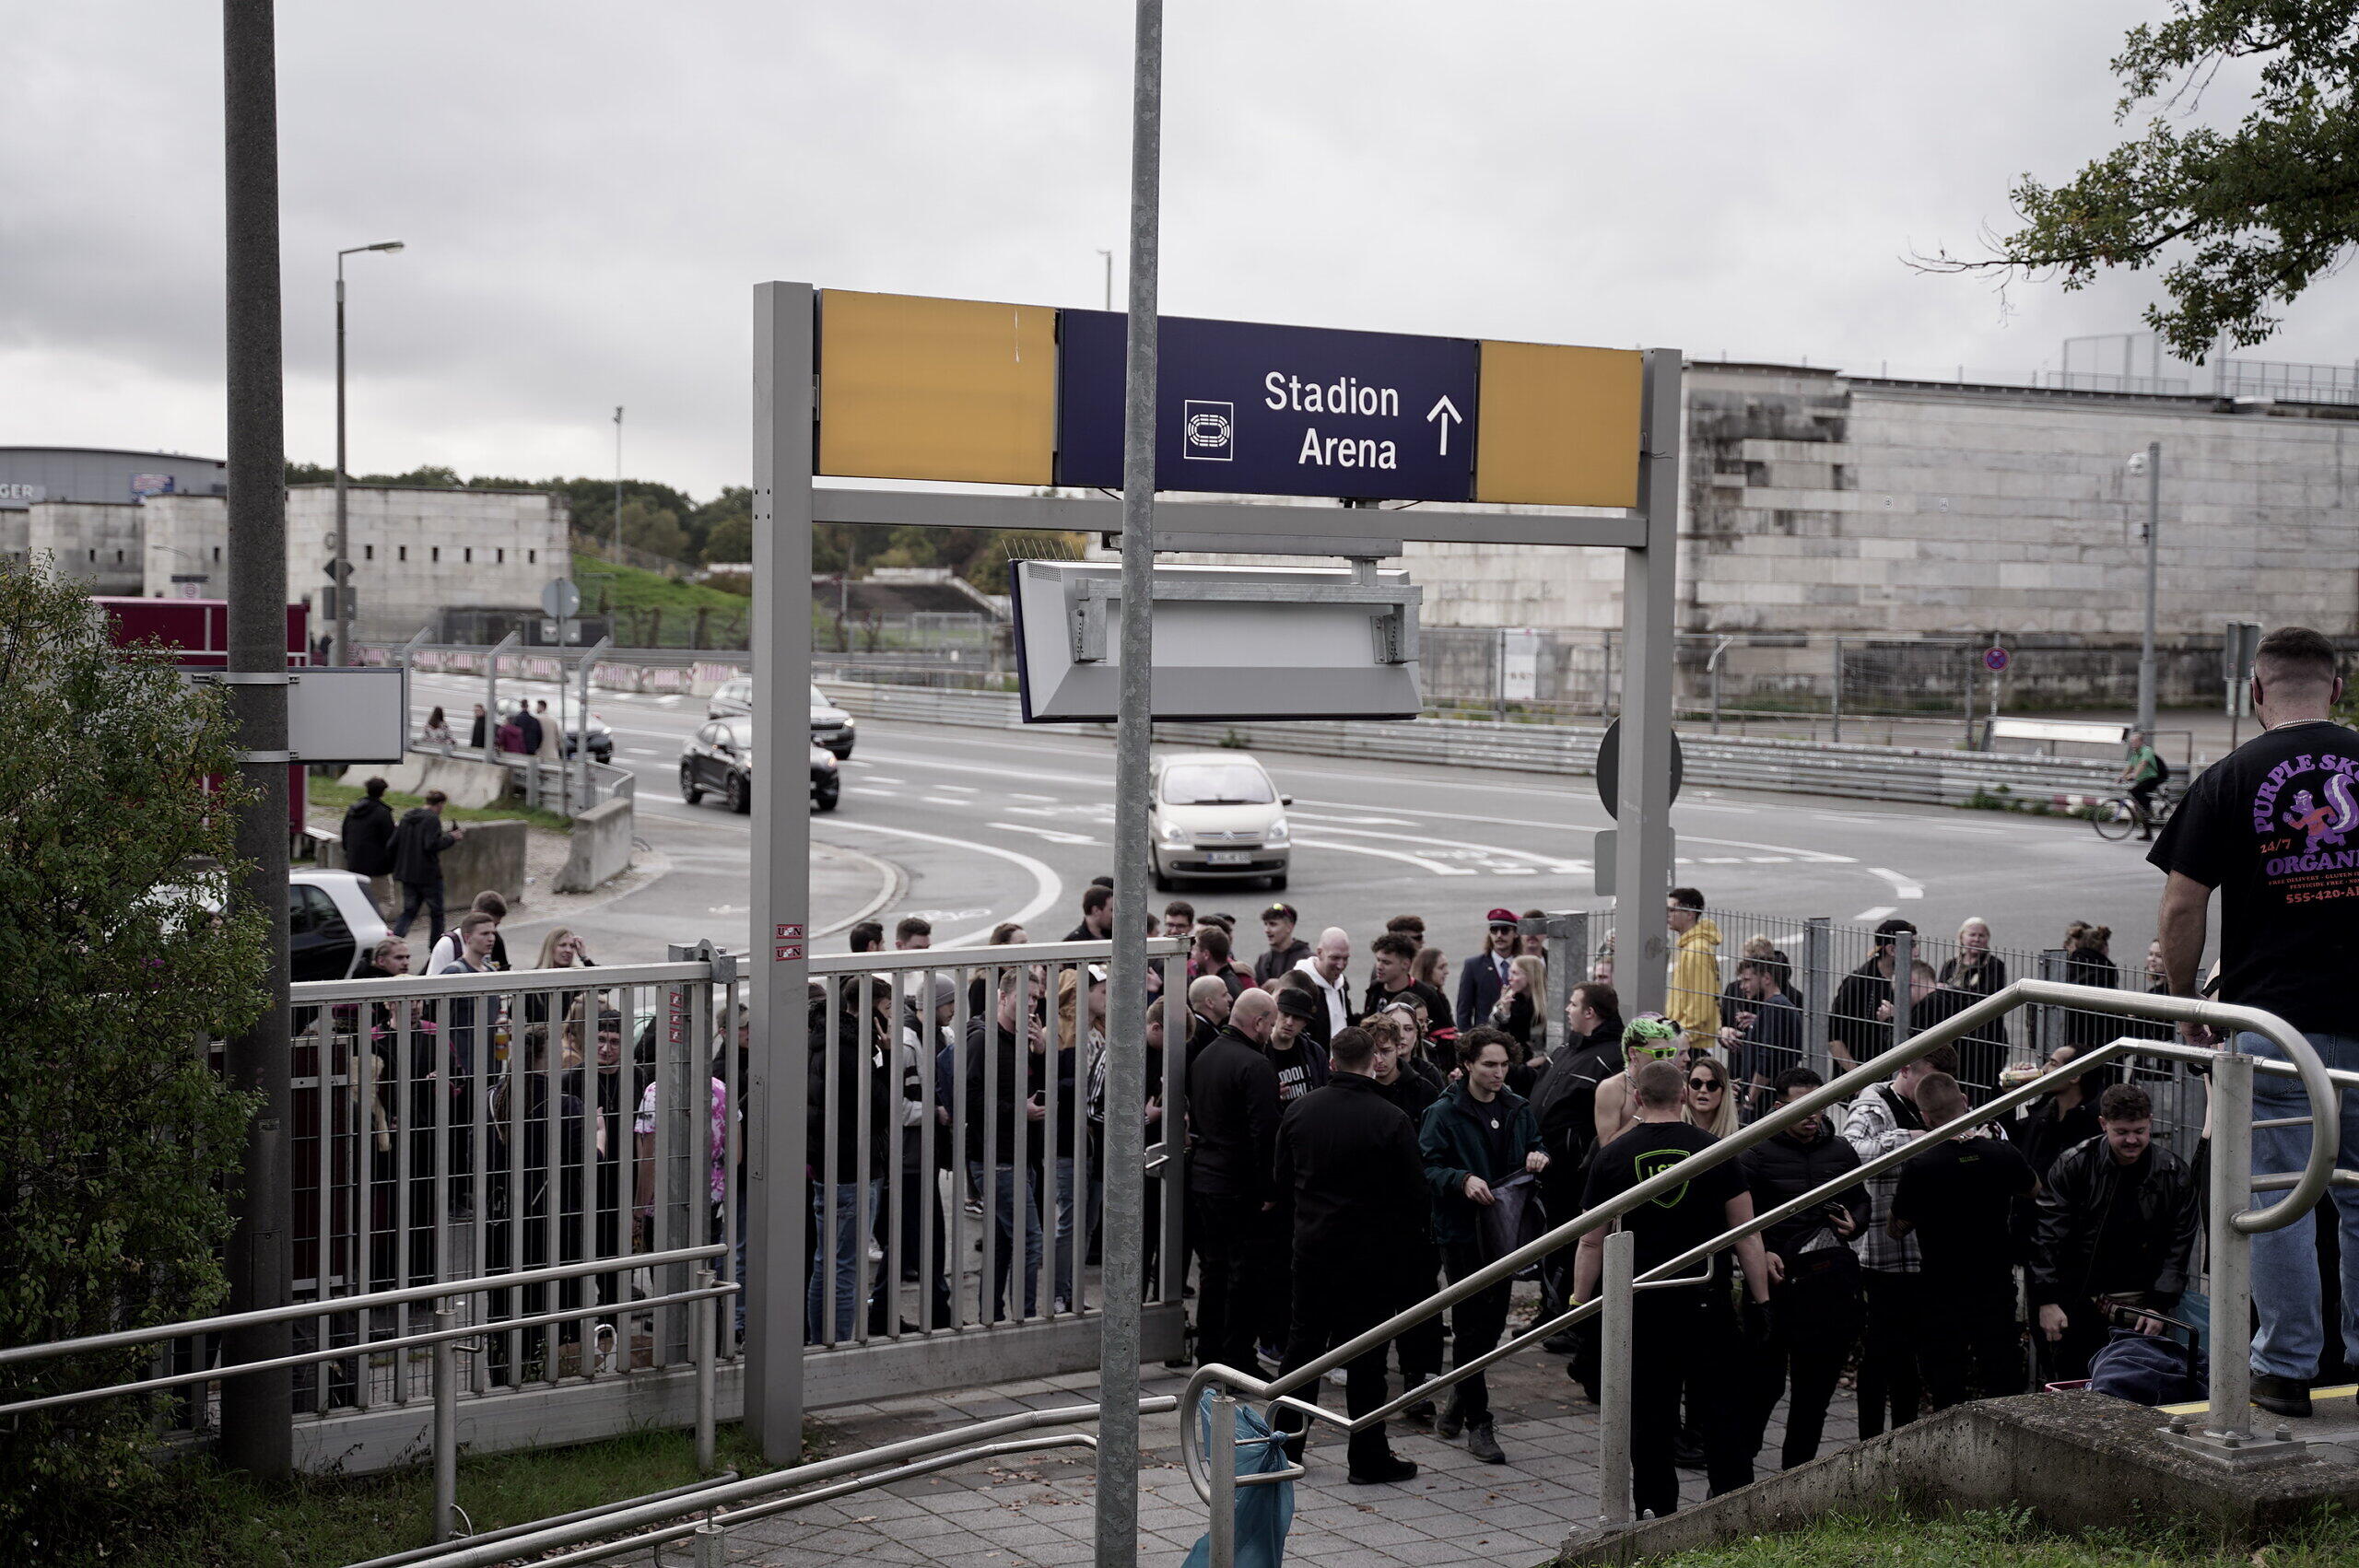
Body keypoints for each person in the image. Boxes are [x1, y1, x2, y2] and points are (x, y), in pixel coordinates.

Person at [2154, 629, 2359, 1418]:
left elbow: (2181, 903)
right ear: (2336, 689)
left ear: (2256, 692)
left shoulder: (2230, 776)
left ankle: (2283, 1369)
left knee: (2276, 1198)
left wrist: (2186, 1003)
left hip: (2275, 1028)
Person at [1577, 1059, 1773, 1517]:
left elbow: (1591, 1239)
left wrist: (1579, 1304)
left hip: (1641, 1305)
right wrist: (1762, 1303)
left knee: (1650, 1414)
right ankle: (1732, 1503)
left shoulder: (1612, 1156)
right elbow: (1747, 1232)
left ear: (1638, 1099)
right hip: (1706, 1301)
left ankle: (1654, 1510)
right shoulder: (1715, 1150)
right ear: (1684, 1095)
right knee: (1722, 1407)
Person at [1270, 1024, 1426, 1485]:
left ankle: (1284, 1446)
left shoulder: (1299, 1112)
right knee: (1367, 1357)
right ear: (1374, 1062)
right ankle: (1367, 1455)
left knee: (1303, 1348)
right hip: (1370, 1256)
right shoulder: (1391, 1117)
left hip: (1314, 1247)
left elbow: (1282, 1182)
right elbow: (1415, 1195)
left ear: (1332, 1062)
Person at [1418, 1027, 1546, 1465]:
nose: (1497, 1073)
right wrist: (1461, 1179)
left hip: (1505, 1229)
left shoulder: (1516, 1107)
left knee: (1491, 1328)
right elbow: (1428, 1167)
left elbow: (1535, 1144)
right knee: (1472, 1325)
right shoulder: (1444, 1112)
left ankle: (1459, 1399)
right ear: (1468, 1064)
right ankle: (1480, 1421)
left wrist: (1537, 1156)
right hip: (1461, 1233)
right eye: (1488, 1064)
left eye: (1503, 1065)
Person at [2028, 1082, 2201, 1384]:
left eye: (2140, 1130)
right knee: (2074, 1384)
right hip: (2080, 1296)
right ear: (2103, 1125)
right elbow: (2047, 1237)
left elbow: (2179, 1247)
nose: (2132, 1140)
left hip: (2143, 1300)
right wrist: (2047, 1300)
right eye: (2122, 1132)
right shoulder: (2075, 1164)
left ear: (2151, 1122)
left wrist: (2159, 1306)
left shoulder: (2173, 1173)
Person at [1739, 1067, 1866, 1471]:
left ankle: (1797, 1476)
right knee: (1761, 1387)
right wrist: (1764, 1252)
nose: (1813, 1115)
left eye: (1818, 1105)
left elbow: (1859, 1198)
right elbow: (1739, 1219)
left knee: (1814, 1393)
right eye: (1802, 1106)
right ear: (1778, 1107)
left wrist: (1855, 1221)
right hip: (1773, 1286)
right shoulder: (1754, 1152)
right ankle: (1736, 1471)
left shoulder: (1841, 1150)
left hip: (1825, 1284)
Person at [1890, 1071, 2036, 1409]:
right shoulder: (2001, 1153)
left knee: (1945, 1381)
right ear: (1966, 1103)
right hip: (1994, 1282)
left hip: (1941, 1287)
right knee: (2002, 1374)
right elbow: (2034, 1189)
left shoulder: (1921, 1166)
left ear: (1925, 1117)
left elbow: (1896, 1228)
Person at [1840, 1042, 1960, 1439]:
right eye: (1927, 1080)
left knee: (1912, 1353)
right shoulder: (1872, 1104)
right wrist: (1906, 1140)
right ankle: (1869, 1441)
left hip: (1926, 1253)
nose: (1932, 1090)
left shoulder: (1937, 1098)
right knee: (1881, 1352)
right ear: (1905, 1069)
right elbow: (1851, 1153)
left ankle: (1905, 1437)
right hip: (1884, 1255)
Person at [1185, 989, 1283, 1373]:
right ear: (1257, 1022)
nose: (1271, 1032)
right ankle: (1238, 1357)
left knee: (1214, 1270)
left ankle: (1208, 1353)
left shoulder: (1206, 1056)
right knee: (1244, 1274)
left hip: (1207, 1179)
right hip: (1239, 1186)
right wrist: (1270, 1189)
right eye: (1270, 1025)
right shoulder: (1255, 1065)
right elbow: (1265, 1134)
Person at [1361, 1011, 1448, 1421]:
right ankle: (1371, 1379)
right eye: (1374, 1053)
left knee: (1419, 1302)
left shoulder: (1424, 1091)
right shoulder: (1358, 1090)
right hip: (1369, 1215)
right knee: (1373, 1304)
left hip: (1414, 1214)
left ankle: (1419, 1381)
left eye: (1387, 1051)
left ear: (1401, 1049)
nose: (1380, 1060)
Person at [964, 969, 1049, 1323]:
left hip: (1021, 1155)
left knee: (1001, 1244)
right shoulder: (984, 1041)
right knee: (1030, 1242)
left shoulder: (1022, 1039)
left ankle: (992, 1316)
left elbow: (1033, 1089)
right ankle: (1024, 1320)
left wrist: (1041, 1052)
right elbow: (971, 1101)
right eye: (1024, 997)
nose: (1030, 1004)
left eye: (1035, 998)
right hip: (997, 1158)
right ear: (1003, 997)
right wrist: (1020, 1111)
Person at [1717, 958, 1802, 1118]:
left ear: (1767, 978)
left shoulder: (1774, 1008)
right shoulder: (1778, 1006)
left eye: (1747, 980)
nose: (1742, 986)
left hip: (1765, 1102)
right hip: (1772, 1097)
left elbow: (1768, 1060)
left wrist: (1750, 1099)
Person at [1828, 919, 1915, 1071]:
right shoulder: (1858, 983)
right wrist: (1857, 1081)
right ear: (1892, 950)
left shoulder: (1913, 981)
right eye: (1912, 945)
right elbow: (1834, 1039)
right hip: (1859, 1073)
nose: (1917, 952)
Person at [1592, 1015, 1686, 1153]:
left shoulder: (1672, 1083)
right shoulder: (1611, 1088)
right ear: (1633, 1053)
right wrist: (1642, 1113)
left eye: (1669, 1053)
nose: (1666, 1060)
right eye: (1658, 1053)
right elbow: (1607, 1147)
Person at [388, 790, 463, 952]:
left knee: (409, 911)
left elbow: (392, 843)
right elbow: (431, 845)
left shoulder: (407, 817)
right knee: (436, 913)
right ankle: (436, 948)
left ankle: (391, 945)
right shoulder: (432, 819)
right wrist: (452, 837)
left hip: (407, 873)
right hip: (428, 875)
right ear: (440, 804)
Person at [1665, 888, 1723, 1049]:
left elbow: (1701, 999)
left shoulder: (1696, 950)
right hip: (1685, 1037)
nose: (1667, 914)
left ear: (1690, 913)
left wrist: (1686, 1034)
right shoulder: (1690, 946)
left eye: (1672, 910)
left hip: (1692, 1042)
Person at [2059, 921, 2121, 1058]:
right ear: (2104, 948)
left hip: (2067, 1037)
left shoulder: (2067, 967)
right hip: (2100, 1040)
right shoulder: (2106, 971)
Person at [1455, 909, 1521, 1036]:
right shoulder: (1474, 965)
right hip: (1487, 1037)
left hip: (1518, 1037)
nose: (1499, 935)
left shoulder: (1524, 964)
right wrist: (1467, 1039)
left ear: (1516, 933)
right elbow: (1464, 1010)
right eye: (1494, 930)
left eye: (1505, 930)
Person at [341, 775, 398, 914]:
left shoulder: (353, 810)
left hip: (354, 863)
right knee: (385, 900)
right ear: (383, 792)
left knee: (358, 898)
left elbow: (345, 833)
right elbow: (390, 840)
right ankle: (376, 928)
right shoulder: (383, 812)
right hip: (377, 867)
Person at [1264, 986, 1331, 1105]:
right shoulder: (1259, 1052)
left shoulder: (1315, 1052)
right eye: (1285, 1014)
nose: (1289, 1022)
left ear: (1305, 1023)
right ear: (1275, 1014)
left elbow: (1325, 1093)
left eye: (1297, 1017)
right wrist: (1268, 1097)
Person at [1291, 928, 1352, 1046]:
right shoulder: (1299, 986)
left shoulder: (1341, 984)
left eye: (1346, 958)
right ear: (1319, 953)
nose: (1341, 965)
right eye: (1335, 958)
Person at [428, 890, 511, 974]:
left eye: (494, 927)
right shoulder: (448, 944)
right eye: (484, 932)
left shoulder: (496, 941)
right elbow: (433, 983)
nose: (491, 938)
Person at [1487, 954, 1543, 1053]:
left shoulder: (1545, 1005)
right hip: (1510, 1060)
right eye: (1509, 973)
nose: (1509, 978)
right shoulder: (1507, 1000)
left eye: (1515, 973)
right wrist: (1504, 1013)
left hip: (1536, 1063)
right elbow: (1491, 1035)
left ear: (1530, 976)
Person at [2118, 728, 2167, 839]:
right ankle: (2148, 834)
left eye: (2134, 742)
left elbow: (2143, 764)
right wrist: (2121, 776)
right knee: (2140, 806)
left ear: (2141, 741)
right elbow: (2130, 766)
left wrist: (2134, 775)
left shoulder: (2147, 750)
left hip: (2153, 778)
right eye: (2131, 742)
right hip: (2144, 781)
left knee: (2136, 794)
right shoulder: (2135, 754)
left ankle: (2147, 812)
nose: (2132, 744)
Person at [1254, 902, 1310, 986]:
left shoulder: (1307, 960)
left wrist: (1281, 985)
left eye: (1273, 924)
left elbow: (1311, 992)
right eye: (1266, 924)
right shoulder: (1262, 961)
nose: (1267, 930)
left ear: (1289, 927)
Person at [1684, 1055, 1739, 1139]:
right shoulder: (1674, 1129)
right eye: (1696, 1083)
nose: (1703, 1090)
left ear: (1723, 1092)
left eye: (1712, 1085)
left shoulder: (1735, 1137)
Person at [1410, 945, 1457, 1033]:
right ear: (1427, 970)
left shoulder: (1439, 994)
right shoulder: (1419, 997)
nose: (1447, 972)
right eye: (1441, 967)